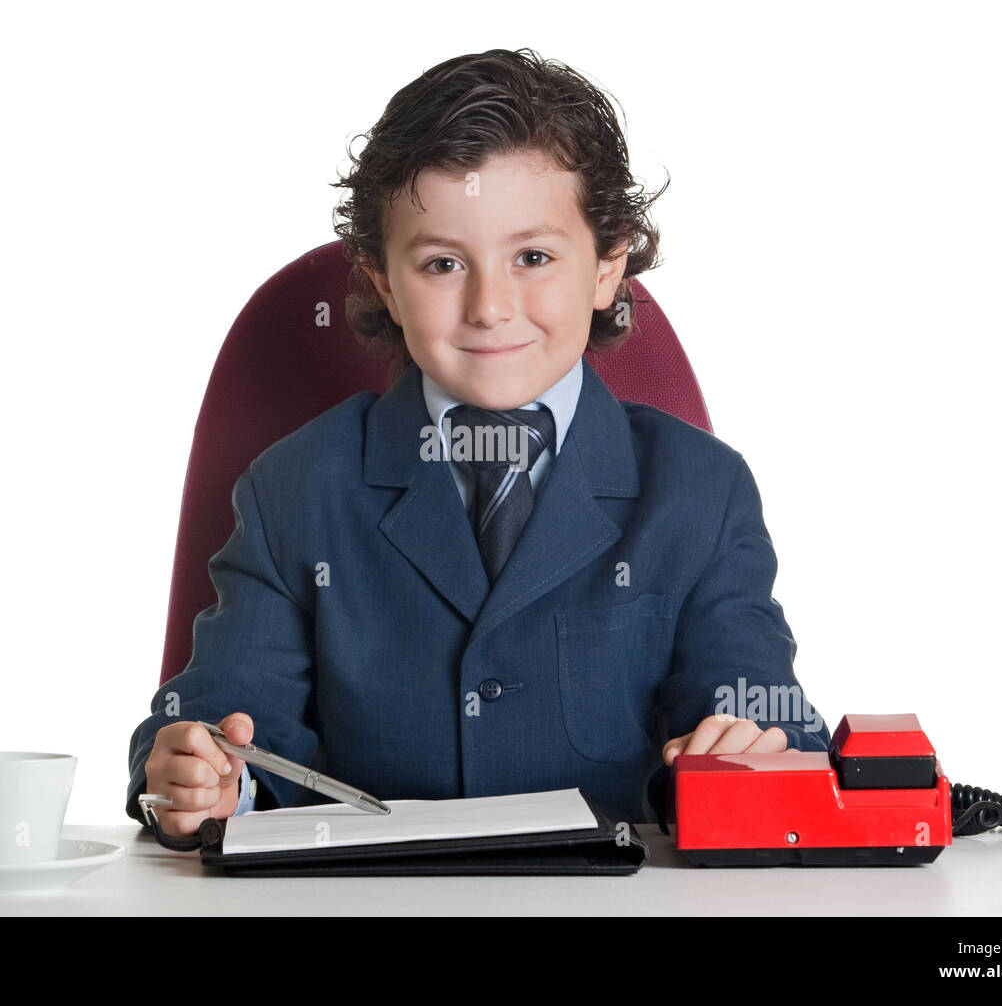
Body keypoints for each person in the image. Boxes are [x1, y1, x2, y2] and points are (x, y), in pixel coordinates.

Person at [127, 47, 829, 838]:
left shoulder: (701, 489)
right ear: (385, 282)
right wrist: (206, 779)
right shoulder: (296, 486)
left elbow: (764, 715)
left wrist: (753, 753)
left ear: (607, 265)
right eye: (441, 264)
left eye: (533, 257)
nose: (490, 306)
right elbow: (218, 722)